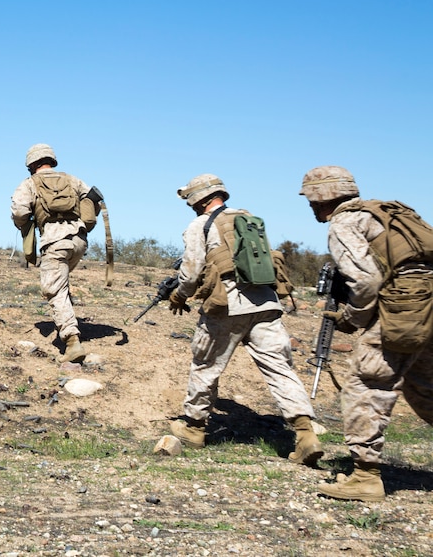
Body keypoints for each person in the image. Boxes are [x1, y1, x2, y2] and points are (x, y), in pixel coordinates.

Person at [166, 173, 322, 467]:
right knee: (279, 368)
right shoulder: (248, 219)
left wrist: (179, 295)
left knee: (206, 365)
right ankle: (305, 435)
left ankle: (194, 428)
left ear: (199, 199)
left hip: (228, 304)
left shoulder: (200, 225)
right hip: (266, 302)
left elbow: (191, 271)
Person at [300, 165, 433, 501]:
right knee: (424, 386)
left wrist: (352, 317)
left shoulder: (344, 222)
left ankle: (365, 476)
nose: (310, 205)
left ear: (323, 197)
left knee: (366, 383)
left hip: (405, 308)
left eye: (311, 199)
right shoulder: (387, 213)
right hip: (426, 303)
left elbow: (366, 281)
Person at [10, 144, 96, 364]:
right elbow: (93, 201)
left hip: (54, 241)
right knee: (61, 282)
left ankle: (71, 340)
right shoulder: (72, 180)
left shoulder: (29, 183)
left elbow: (19, 211)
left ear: (31, 165)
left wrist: (27, 222)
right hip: (79, 240)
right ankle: (67, 319)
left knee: (54, 289)